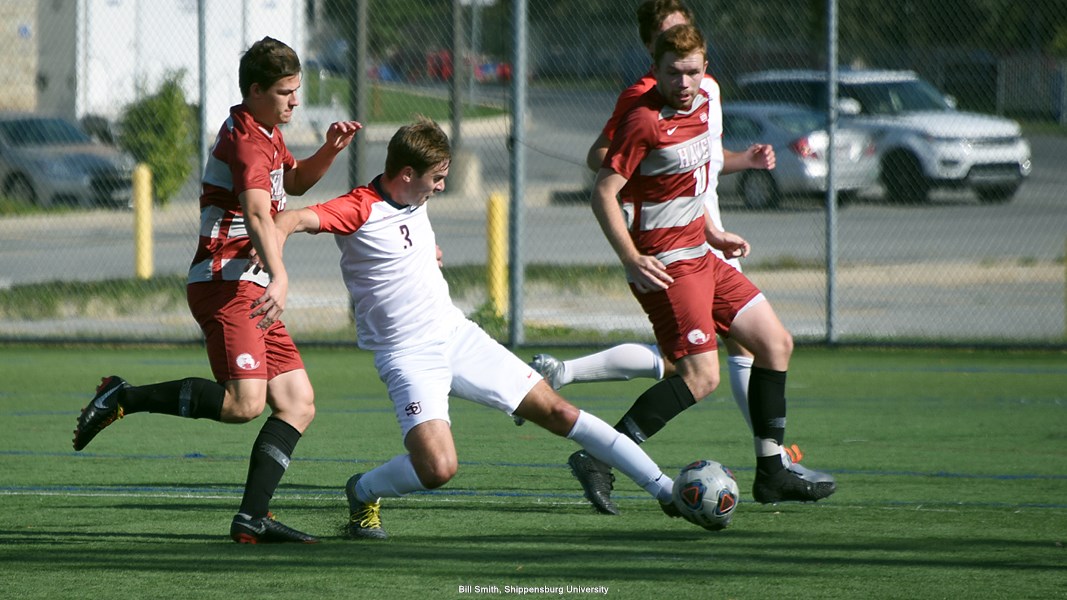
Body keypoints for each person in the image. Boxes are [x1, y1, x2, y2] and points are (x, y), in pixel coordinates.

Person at [272, 117, 688, 540]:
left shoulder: (414, 197)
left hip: (457, 335)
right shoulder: (358, 207)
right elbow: (288, 220)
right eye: (437, 179)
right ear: (407, 174)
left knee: (559, 411)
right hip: (407, 356)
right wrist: (276, 275)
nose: (440, 187)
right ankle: (362, 491)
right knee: (438, 468)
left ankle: (667, 491)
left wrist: (426, 253)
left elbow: (406, 241)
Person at [523, 0, 831, 515]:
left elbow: (698, 177)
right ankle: (601, 456)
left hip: (703, 253)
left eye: (692, 70)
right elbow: (603, 187)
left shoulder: (706, 101)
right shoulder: (643, 114)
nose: (684, 81)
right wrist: (629, 255)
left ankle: (772, 471)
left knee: (775, 343)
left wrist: (715, 228)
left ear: (704, 67)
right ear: (655, 61)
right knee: (700, 376)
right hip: (668, 264)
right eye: (673, 70)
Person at [71, 36, 361, 544]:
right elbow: (254, 212)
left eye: (297, 91)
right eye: (285, 92)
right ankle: (125, 396)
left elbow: (291, 187)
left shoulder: (265, 130)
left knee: (297, 401)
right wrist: (282, 273)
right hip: (225, 285)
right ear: (255, 90)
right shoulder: (247, 138)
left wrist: (330, 151)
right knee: (244, 403)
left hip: (249, 286)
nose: (295, 101)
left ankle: (252, 518)